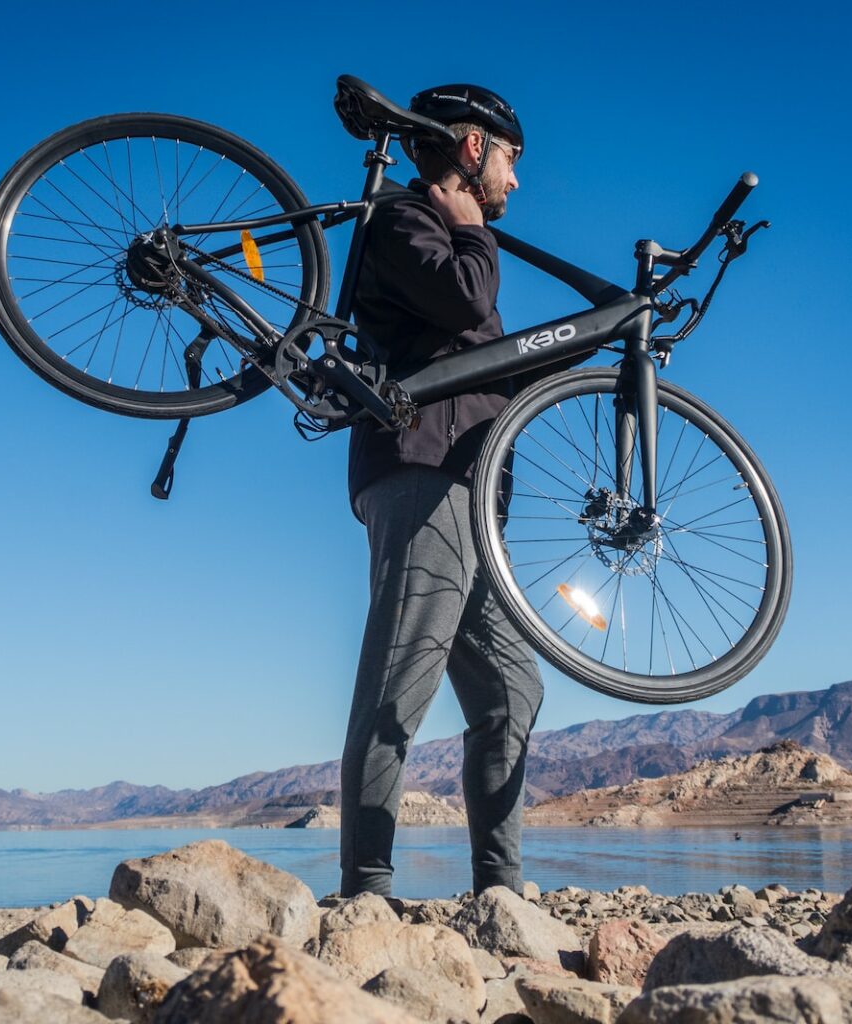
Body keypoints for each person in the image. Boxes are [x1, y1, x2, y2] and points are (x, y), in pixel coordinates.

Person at [340, 83, 544, 898]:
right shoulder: (407, 219)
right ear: (473, 148)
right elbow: (463, 298)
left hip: (469, 494)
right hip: (421, 473)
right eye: (512, 161)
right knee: (400, 681)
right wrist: (469, 229)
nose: (516, 183)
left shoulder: (454, 240)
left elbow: (484, 359)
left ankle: (500, 890)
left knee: (512, 693)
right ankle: (367, 891)